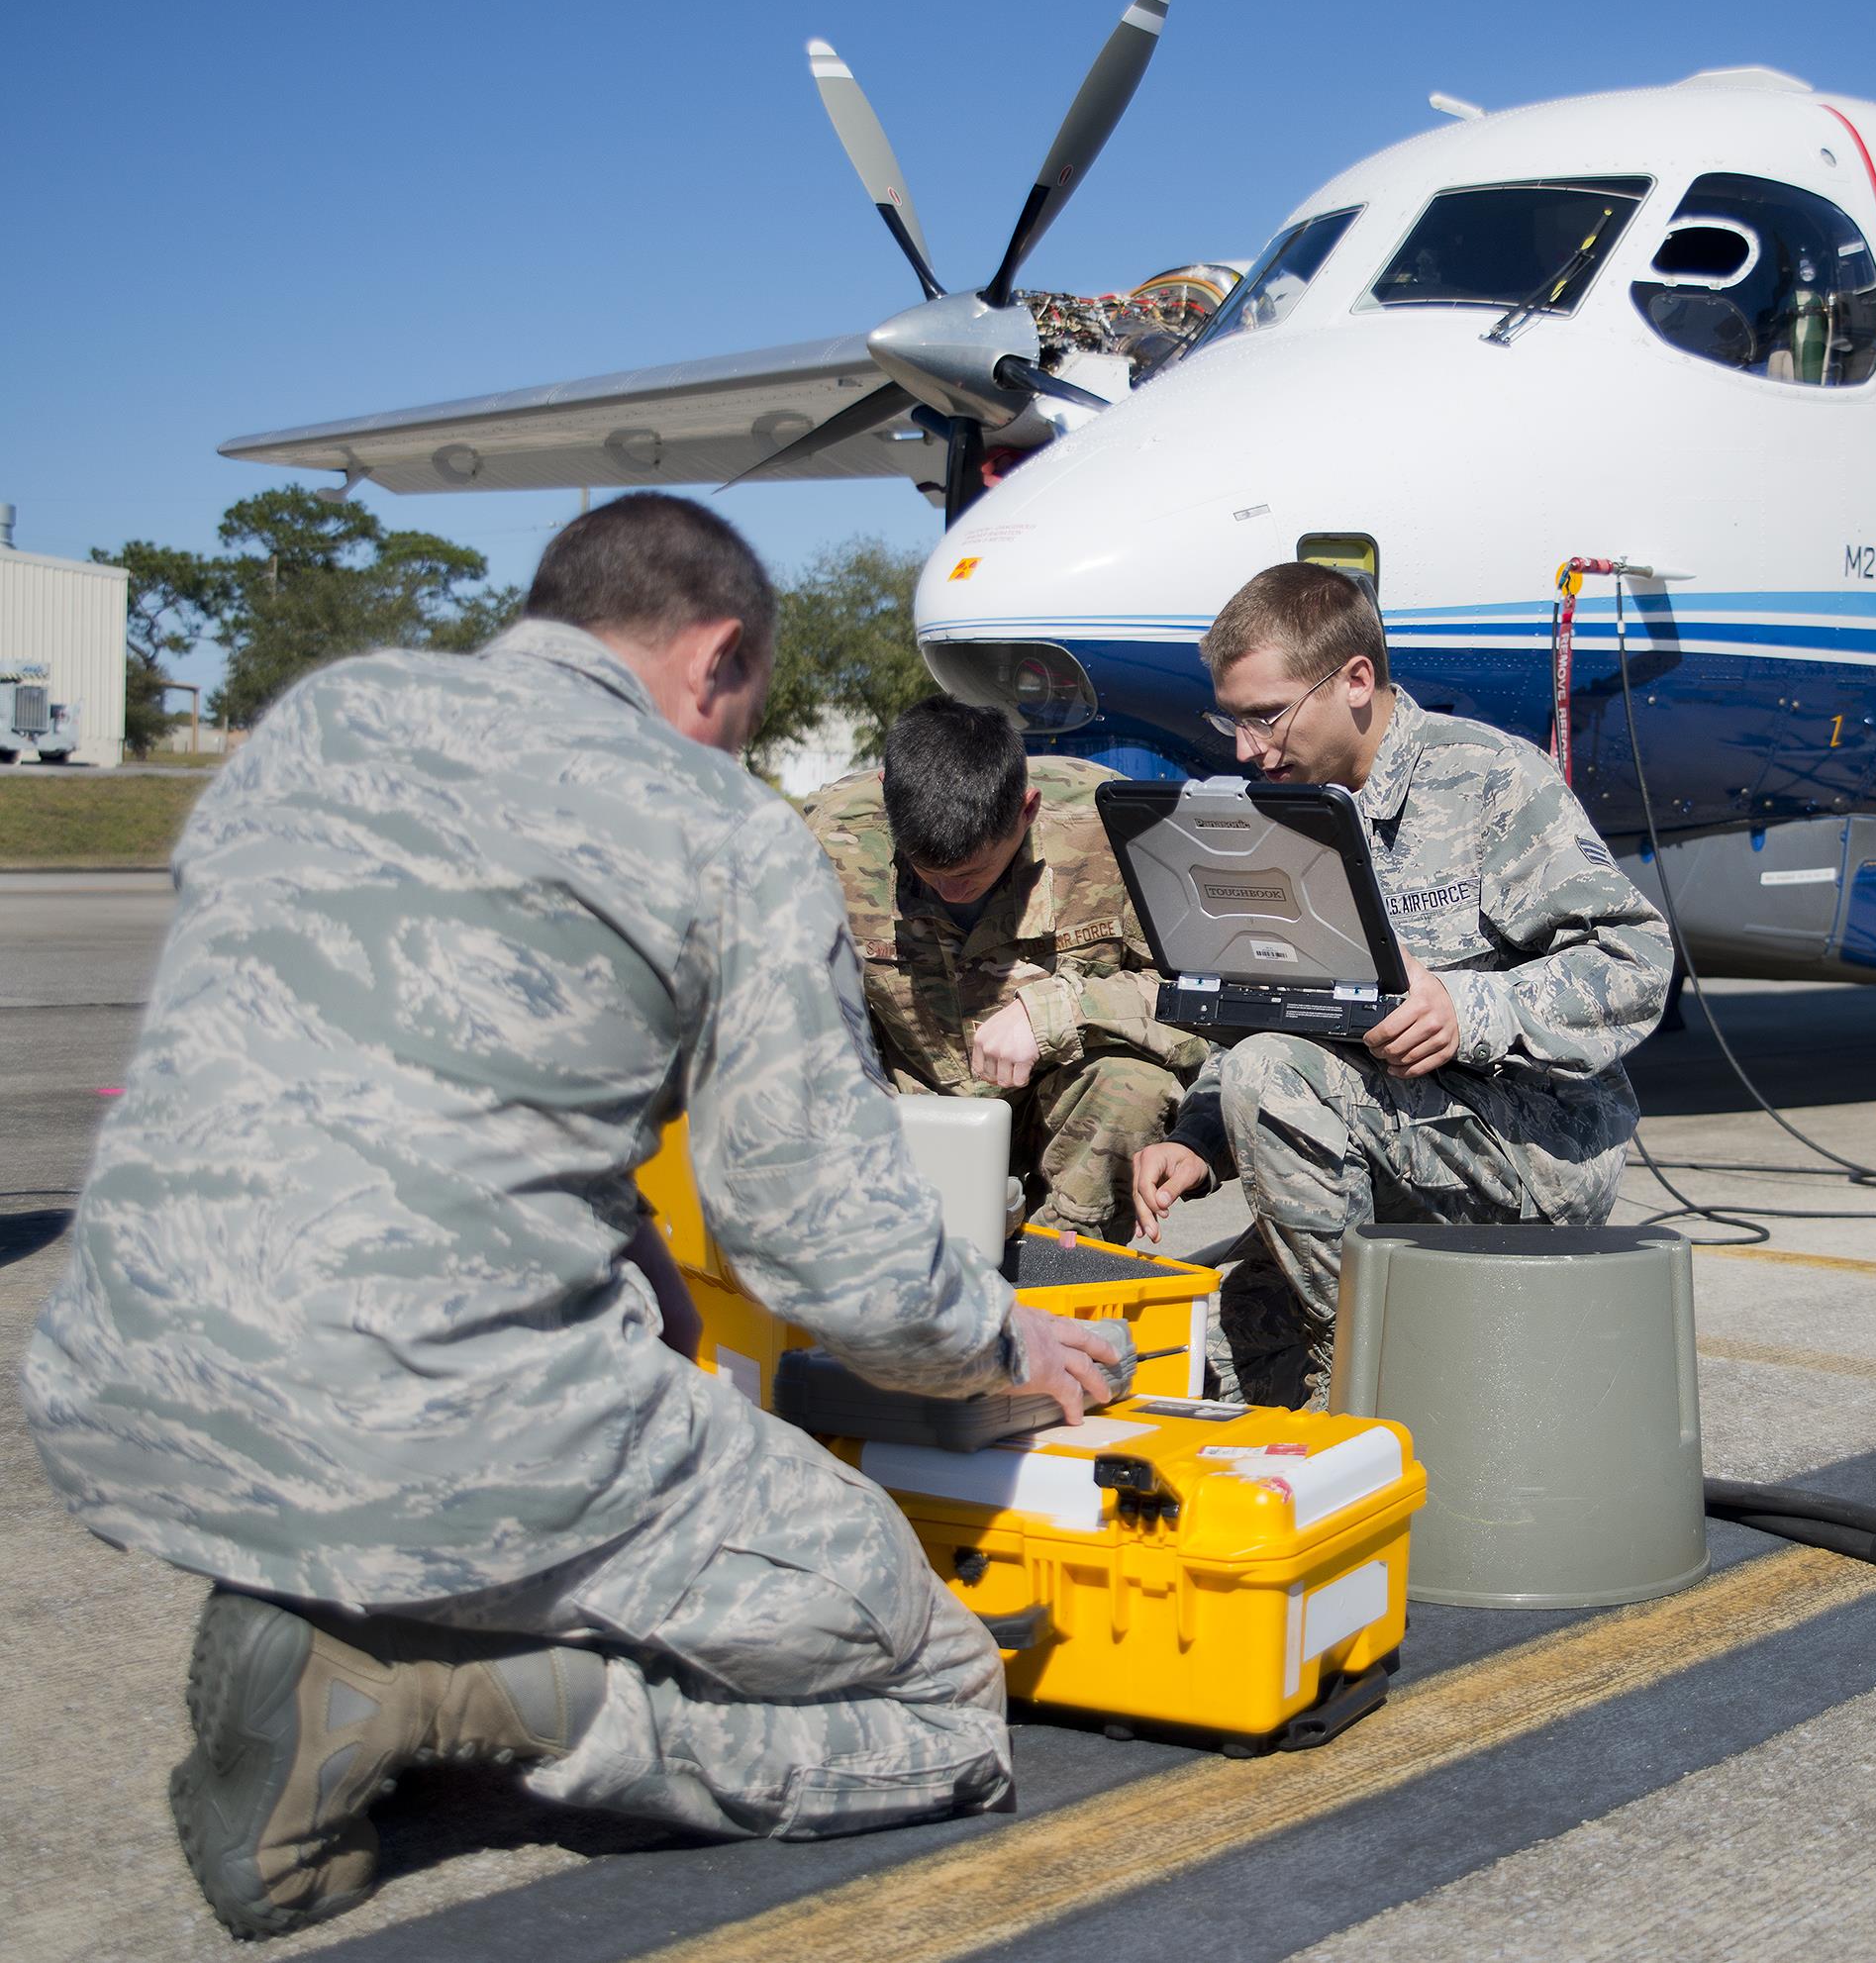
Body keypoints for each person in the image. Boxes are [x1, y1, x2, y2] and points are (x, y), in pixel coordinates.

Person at [19, 494, 1121, 1939]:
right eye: (744, 707)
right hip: (439, 1424)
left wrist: (625, 1239)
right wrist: (1000, 1339)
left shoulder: (325, 723)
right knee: (944, 1697)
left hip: (123, 1400)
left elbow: (405, 1058)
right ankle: (464, 1691)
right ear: (718, 657)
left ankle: (347, 1628)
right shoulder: (721, 826)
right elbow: (824, 1246)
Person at [1130, 563, 1675, 1405]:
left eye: (1265, 716)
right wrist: (1199, 1137)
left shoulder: (1490, 778)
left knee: (1269, 1082)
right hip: (1385, 1152)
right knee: (1191, 1360)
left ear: (1354, 681)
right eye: (1231, 720)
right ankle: (1368, 1358)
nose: (1246, 748)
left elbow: (1636, 962)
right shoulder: (1284, 803)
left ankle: (1363, 1379)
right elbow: (1274, 1010)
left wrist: (1469, 1008)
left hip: (1529, 1154)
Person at [803, 696, 1204, 1244]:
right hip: (907, 1116)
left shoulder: (1114, 830)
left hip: (1058, 1114)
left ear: (1028, 808)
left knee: (1133, 1086)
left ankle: (1061, 1277)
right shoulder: (832, 838)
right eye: (927, 870)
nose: (949, 891)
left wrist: (1055, 1010)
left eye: (970, 873)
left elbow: (1204, 998)